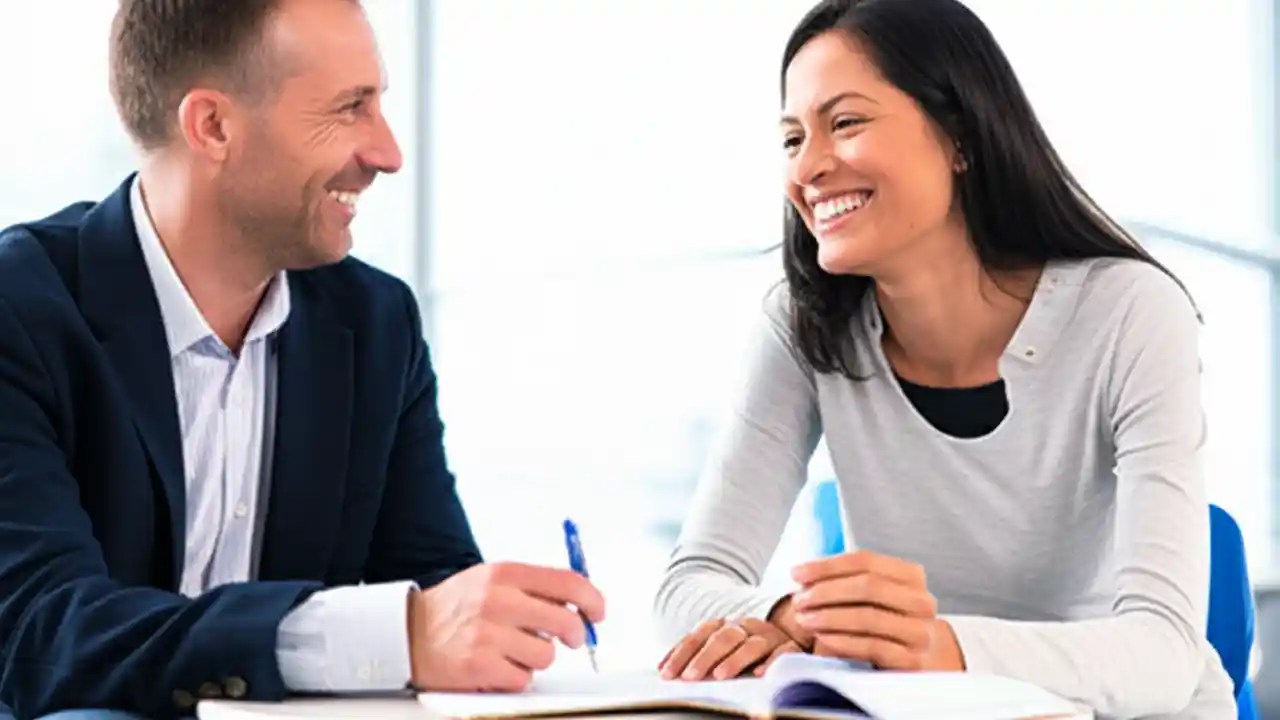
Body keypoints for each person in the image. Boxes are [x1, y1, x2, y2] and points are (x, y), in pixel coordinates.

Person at [0, 1, 604, 718]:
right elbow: (40, 635)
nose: (387, 153)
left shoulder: (376, 324)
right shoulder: (20, 309)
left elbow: (429, 586)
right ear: (213, 126)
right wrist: (380, 635)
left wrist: (492, 630)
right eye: (350, 108)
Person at [653, 0, 1235, 717]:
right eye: (791, 137)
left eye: (846, 122)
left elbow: (1164, 654)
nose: (808, 167)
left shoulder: (1130, 312)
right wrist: (785, 615)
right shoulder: (805, 327)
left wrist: (941, 647)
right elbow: (692, 581)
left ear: (961, 135)